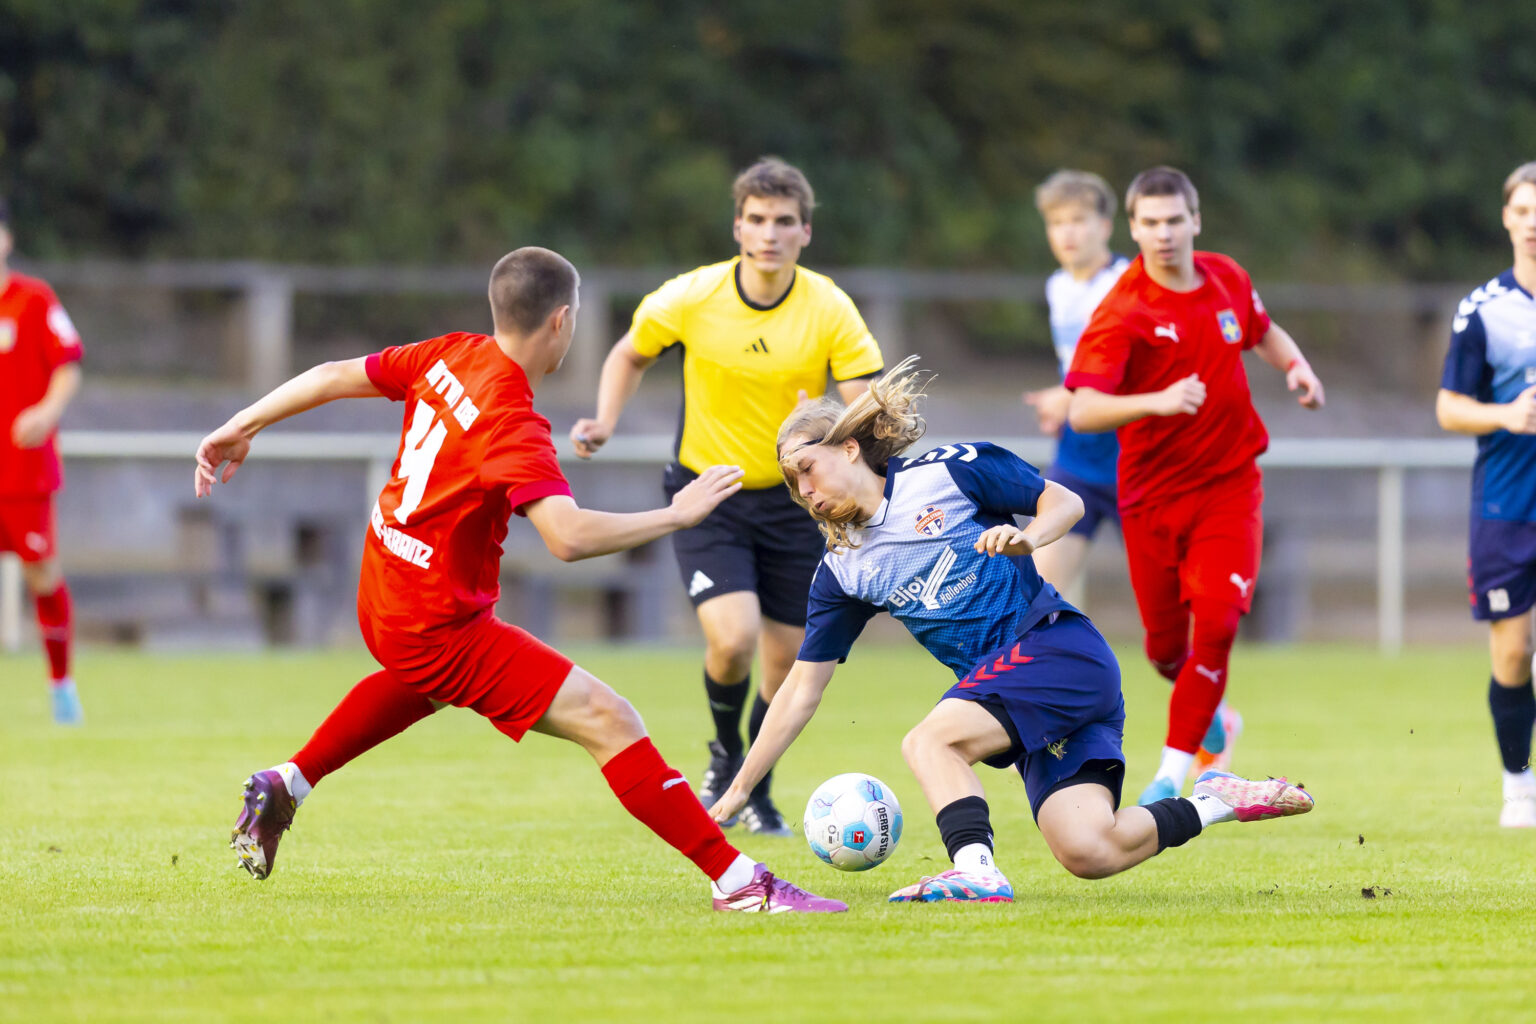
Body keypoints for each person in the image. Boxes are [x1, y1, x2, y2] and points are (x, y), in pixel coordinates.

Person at [195, 247, 844, 913]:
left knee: (426, 680)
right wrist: (676, 514)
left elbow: (334, 373)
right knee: (610, 719)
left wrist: (242, 424)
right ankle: (740, 884)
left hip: (384, 581)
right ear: (561, 322)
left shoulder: (452, 352)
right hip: (437, 622)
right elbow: (567, 537)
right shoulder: (511, 420)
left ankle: (289, 781)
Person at [708, 357, 1314, 903]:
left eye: (807, 469)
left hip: (1057, 650)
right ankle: (1215, 801)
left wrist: (1030, 537)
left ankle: (975, 869)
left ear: (847, 448)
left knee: (929, 742)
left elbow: (1067, 504)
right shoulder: (844, 571)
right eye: (793, 482)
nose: (805, 491)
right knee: (1089, 850)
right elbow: (799, 691)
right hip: (1024, 694)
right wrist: (738, 791)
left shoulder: (952, 471)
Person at [570, 158, 885, 835]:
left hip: (796, 502)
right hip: (705, 494)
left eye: (784, 222)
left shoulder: (827, 305)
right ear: (738, 225)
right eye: (757, 220)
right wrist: (604, 419)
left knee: (785, 660)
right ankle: (724, 755)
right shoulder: (691, 295)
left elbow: (866, 395)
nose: (769, 234)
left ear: (805, 231)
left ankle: (756, 788)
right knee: (734, 639)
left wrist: (848, 431)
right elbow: (629, 352)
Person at [1064, 166, 1325, 806]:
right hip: (1151, 498)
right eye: (1150, 223)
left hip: (1231, 487)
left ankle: (1171, 775)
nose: (1163, 233)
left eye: (1174, 220)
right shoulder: (1124, 309)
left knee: (1216, 620)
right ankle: (1213, 717)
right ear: (1134, 228)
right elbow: (1084, 411)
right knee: (1164, 651)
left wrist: (1296, 367)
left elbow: (1262, 331)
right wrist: (1157, 400)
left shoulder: (1226, 276)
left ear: (1195, 221)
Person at [1436, 160, 1536, 828]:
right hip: (1507, 503)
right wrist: (1506, 414)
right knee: (1514, 651)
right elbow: (1448, 408)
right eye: (1524, 212)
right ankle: (1517, 784)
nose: (1534, 226)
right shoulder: (1484, 311)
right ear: (1506, 217)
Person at [1021, 170, 1130, 600]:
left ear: (1104, 226)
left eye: (1078, 220)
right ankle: (1056, 667)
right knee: (1038, 594)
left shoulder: (1127, 284)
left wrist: (1069, 396)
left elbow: (1138, 368)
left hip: (1133, 454)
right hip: (1078, 454)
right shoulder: (1058, 287)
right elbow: (1082, 367)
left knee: (1172, 608)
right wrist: (1062, 403)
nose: (1067, 232)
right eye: (1057, 222)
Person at [0, 197, 85, 724]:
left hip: (24, 471)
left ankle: (61, 686)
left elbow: (69, 362)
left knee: (42, 573)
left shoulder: (33, 299)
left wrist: (46, 411)